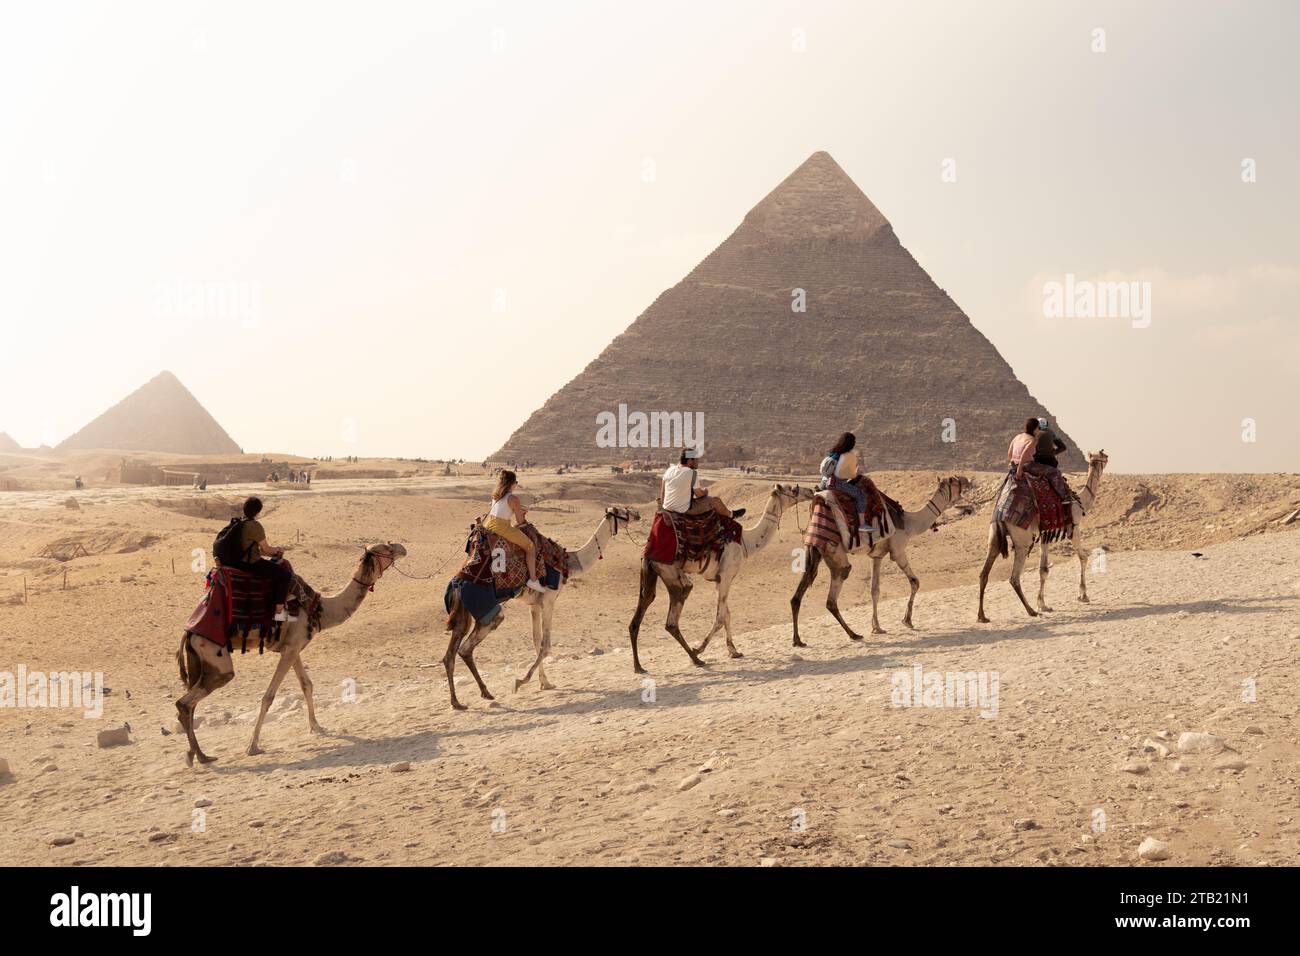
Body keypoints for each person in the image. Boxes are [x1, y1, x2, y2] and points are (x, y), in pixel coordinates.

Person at [232, 497, 296, 622]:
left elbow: (252, 548)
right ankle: (279, 612)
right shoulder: (254, 526)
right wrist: (277, 550)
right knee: (285, 576)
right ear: (258, 511)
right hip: (251, 564)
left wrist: (268, 552)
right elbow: (266, 549)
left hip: (238, 562)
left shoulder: (239, 523)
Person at [484, 470, 546, 593]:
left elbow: (503, 512)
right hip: (502, 527)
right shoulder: (513, 498)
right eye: (516, 482)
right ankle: (533, 580)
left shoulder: (496, 496)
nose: (516, 485)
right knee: (530, 547)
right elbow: (520, 521)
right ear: (512, 483)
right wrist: (523, 513)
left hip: (489, 525)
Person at [660, 448, 745, 519]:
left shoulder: (669, 470)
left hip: (667, 507)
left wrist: (664, 507)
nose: (698, 462)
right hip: (683, 510)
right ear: (690, 461)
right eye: (696, 460)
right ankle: (731, 515)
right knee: (716, 500)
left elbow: (663, 492)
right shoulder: (691, 473)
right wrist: (705, 491)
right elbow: (699, 495)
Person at [818, 432, 877, 525]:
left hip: (823, 482)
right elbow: (844, 475)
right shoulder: (848, 456)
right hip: (837, 484)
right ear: (851, 444)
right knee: (861, 496)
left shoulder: (833, 454)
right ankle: (862, 524)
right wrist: (853, 475)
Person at [1023, 417, 1078, 506]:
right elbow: (1063, 447)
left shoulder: (1032, 435)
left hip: (1034, 463)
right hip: (1049, 462)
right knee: (1057, 476)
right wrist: (1052, 452)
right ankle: (1065, 497)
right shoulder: (1051, 433)